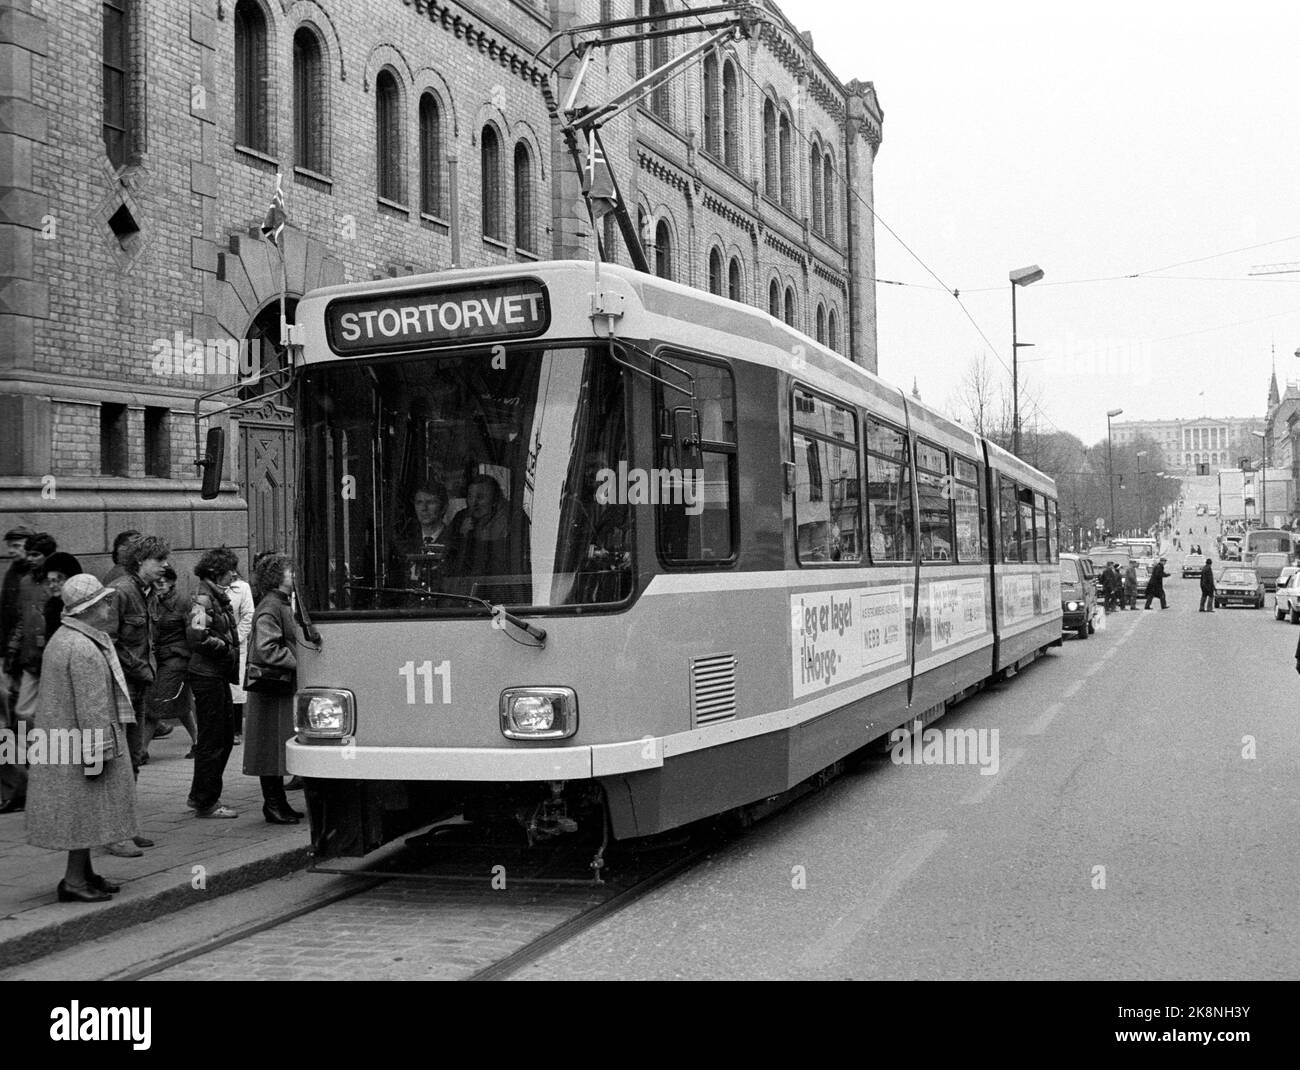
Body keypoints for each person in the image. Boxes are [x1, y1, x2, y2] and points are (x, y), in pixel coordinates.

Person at [24, 574, 137, 903]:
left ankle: (85, 873)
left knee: (83, 812)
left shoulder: (66, 638)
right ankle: (74, 880)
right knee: (85, 812)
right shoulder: (84, 648)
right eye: (103, 600)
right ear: (88, 608)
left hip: (62, 741)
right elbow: (93, 707)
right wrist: (99, 751)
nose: (108, 604)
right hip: (81, 744)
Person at [243, 553, 310, 824]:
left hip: (277, 689)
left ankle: (277, 804)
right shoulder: (271, 606)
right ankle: (273, 805)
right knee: (269, 748)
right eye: (289, 572)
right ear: (276, 577)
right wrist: (302, 663)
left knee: (272, 747)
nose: (294, 576)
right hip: (273, 689)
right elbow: (267, 648)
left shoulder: (278, 603)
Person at [186, 546, 242, 819]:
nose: (234, 573)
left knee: (221, 736)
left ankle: (203, 796)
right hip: (207, 674)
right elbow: (197, 637)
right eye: (230, 568)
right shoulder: (203, 598)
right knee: (214, 739)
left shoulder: (213, 595)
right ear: (215, 572)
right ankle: (205, 800)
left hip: (214, 674)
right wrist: (225, 649)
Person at [144, 565, 199, 756]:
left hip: (178, 659)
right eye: (156, 582)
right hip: (160, 658)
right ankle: (198, 742)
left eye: (163, 581)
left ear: (172, 581)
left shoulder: (183, 601)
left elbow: (194, 631)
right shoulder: (152, 601)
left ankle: (141, 751)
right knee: (182, 705)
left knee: (155, 703)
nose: (159, 585)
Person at [0, 525, 34, 813]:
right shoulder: (13, 572)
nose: (13, 550)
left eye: (18, 545)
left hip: (25, 663)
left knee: (19, 723)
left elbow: (24, 622)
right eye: (10, 545)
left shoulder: (30, 577)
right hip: (13, 661)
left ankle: (21, 786)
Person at [447, 474, 511, 579]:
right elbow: (449, 553)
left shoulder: (506, 520)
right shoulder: (461, 517)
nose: (474, 502)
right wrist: (462, 535)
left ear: (494, 500)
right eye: (470, 496)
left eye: (480, 497)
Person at [225, 569, 255, 747]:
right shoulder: (203, 595)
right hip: (213, 650)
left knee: (236, 690)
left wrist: (235, 638)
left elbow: (248, 616)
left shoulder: (241, 588)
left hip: (234, 645)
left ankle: (235, 730)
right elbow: (197, 626)